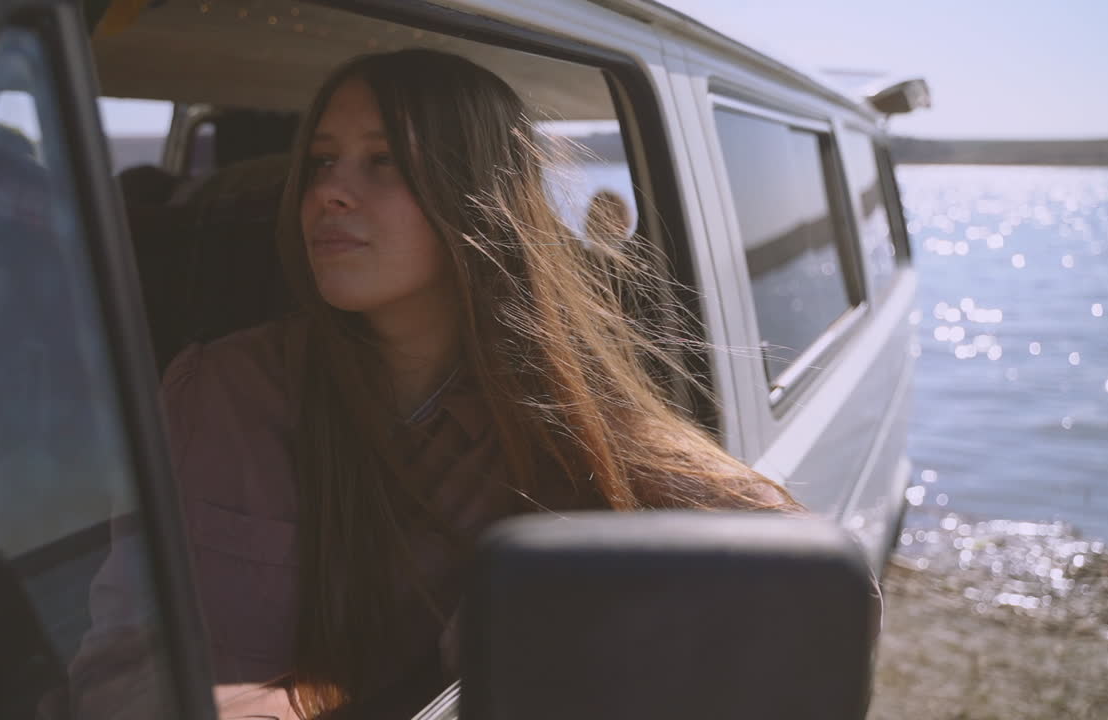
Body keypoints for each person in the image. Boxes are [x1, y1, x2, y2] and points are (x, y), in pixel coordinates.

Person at [70, 48, 798, 720]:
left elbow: (790, 560)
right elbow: (130, 664)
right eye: (322, 161)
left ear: (476, 193)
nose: (330, 193)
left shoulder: (561, 418)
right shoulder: (224, 391)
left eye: (383, 161)